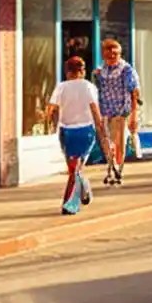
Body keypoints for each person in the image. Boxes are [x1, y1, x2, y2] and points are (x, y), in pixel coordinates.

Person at [45, 56, 111, 215]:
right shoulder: (89, 87)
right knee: (76, 168)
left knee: (73, 168)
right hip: (85, 131)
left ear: (67, 71)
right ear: (82, 71)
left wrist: (49, 124)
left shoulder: (61, 87)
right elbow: (95, 110)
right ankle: (84, 187)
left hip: (67, 131)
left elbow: (51, 109)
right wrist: (101, 130)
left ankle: (70, 204)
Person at [94, 39, 140, 186]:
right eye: (108, 54)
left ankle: (117, 168)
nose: (112, 57)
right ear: (103, 55)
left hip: (121, 112)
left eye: (115, 53)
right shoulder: (100, 72)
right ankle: (112, 166)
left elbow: (135, 93)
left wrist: (134, 115)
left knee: (118, 143)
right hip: (104, 112)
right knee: (107, 143)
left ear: (119, 54)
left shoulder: (126, 70)